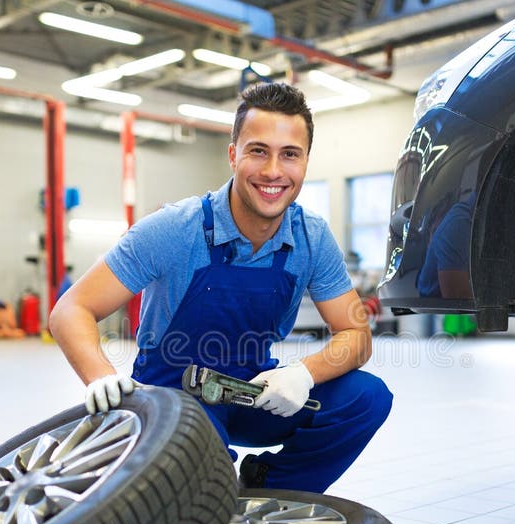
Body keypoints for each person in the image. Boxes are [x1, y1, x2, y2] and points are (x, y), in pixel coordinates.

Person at [49, 82, 392, 494]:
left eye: (289, 155)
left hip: (250, 390)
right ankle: (211, 488)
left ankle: (269, 486)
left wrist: (302, 373)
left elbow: (357, 335)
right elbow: (71, 309)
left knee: (366, 398)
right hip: (174, 392)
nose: (272, 172)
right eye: (258, 151)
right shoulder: (176, 229)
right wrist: (99, 376)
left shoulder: (311, 238)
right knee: (210, 491)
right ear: (233, 155)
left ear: (304, 162)